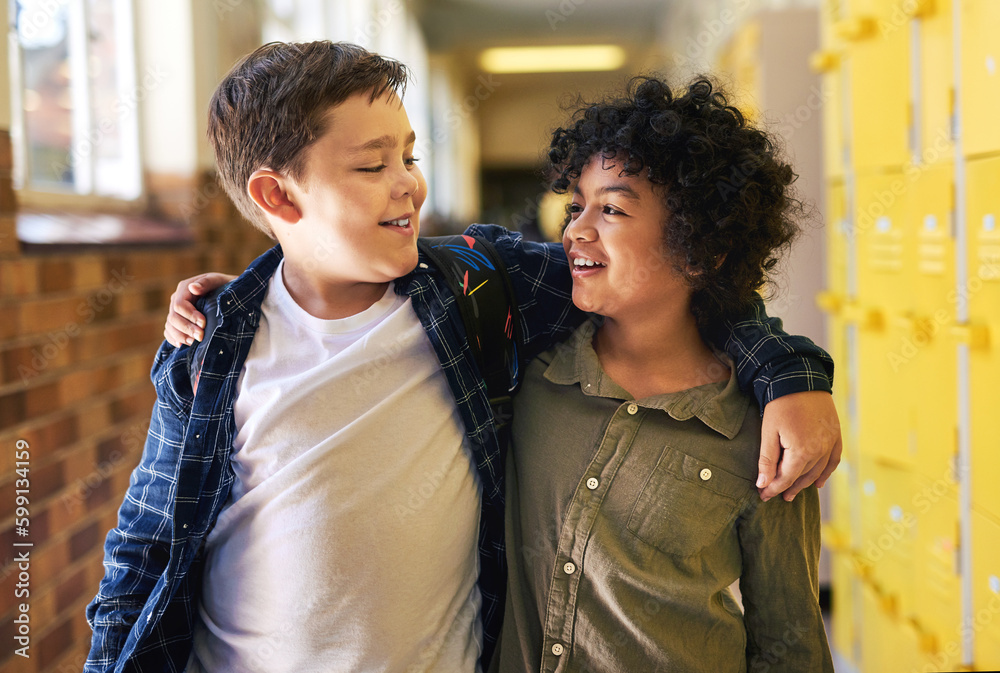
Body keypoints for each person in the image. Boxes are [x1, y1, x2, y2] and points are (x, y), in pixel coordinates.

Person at [103, 40, 839, 672]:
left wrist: (789, 372)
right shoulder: (212, 348)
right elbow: (145, 544)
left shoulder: (474, 288)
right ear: (279, 196)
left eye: (410, 155)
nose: (408, 183)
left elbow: (669, 281)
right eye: (371, 165)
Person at [497, 76, 834, 672]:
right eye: (578, 204)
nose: (576, 228)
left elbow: (792, 641)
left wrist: (794, 380)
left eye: (613, 209)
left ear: (700, 249)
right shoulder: (529, 370)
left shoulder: (766, 436)